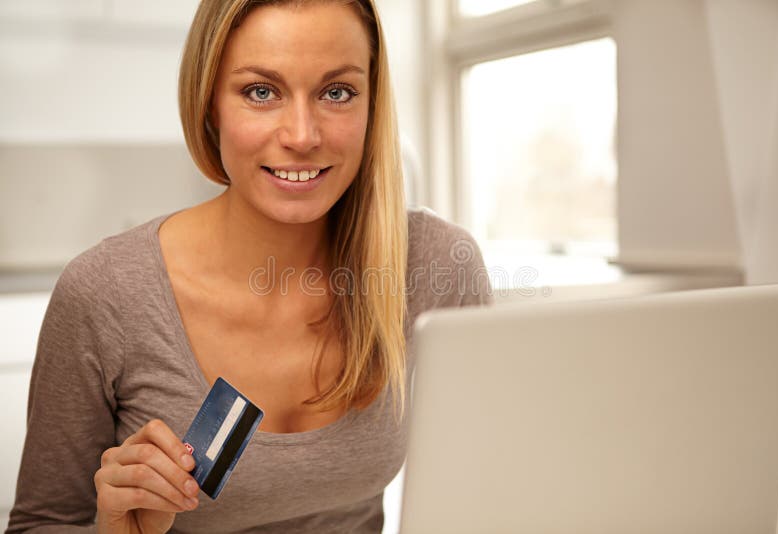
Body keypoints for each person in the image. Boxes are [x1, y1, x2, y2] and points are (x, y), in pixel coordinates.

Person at [6, 0, 492, 532]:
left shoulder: (439, 265)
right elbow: (40, 523)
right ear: (209, 103)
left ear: (373, 105)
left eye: (338, 92)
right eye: (261, 92)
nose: (303, 136)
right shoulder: (104, 294)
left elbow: (491, 483)